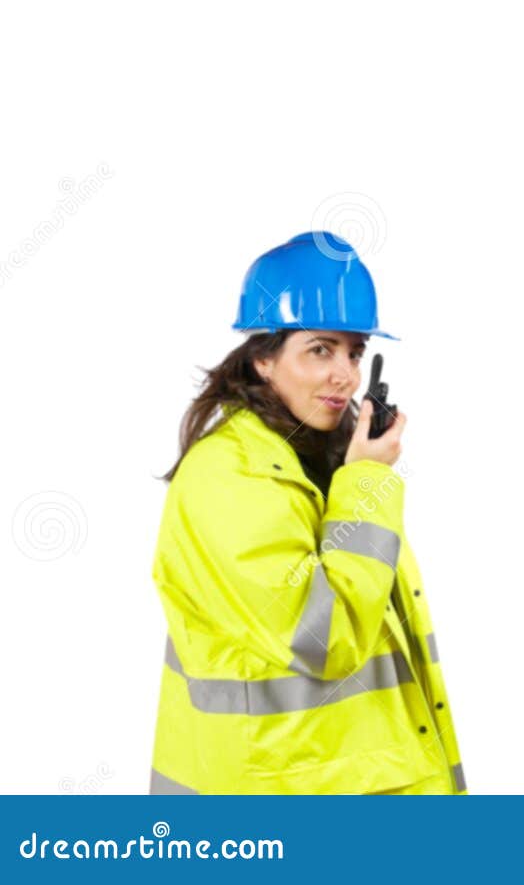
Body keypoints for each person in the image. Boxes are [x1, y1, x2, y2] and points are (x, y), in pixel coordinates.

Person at [149, 232, 465, 794]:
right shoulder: (231, 477)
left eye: (354, 352)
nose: (344, 375)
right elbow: (326, 640)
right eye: (320, 350)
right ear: (264, 357)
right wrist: (367, 483)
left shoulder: (322, 464)